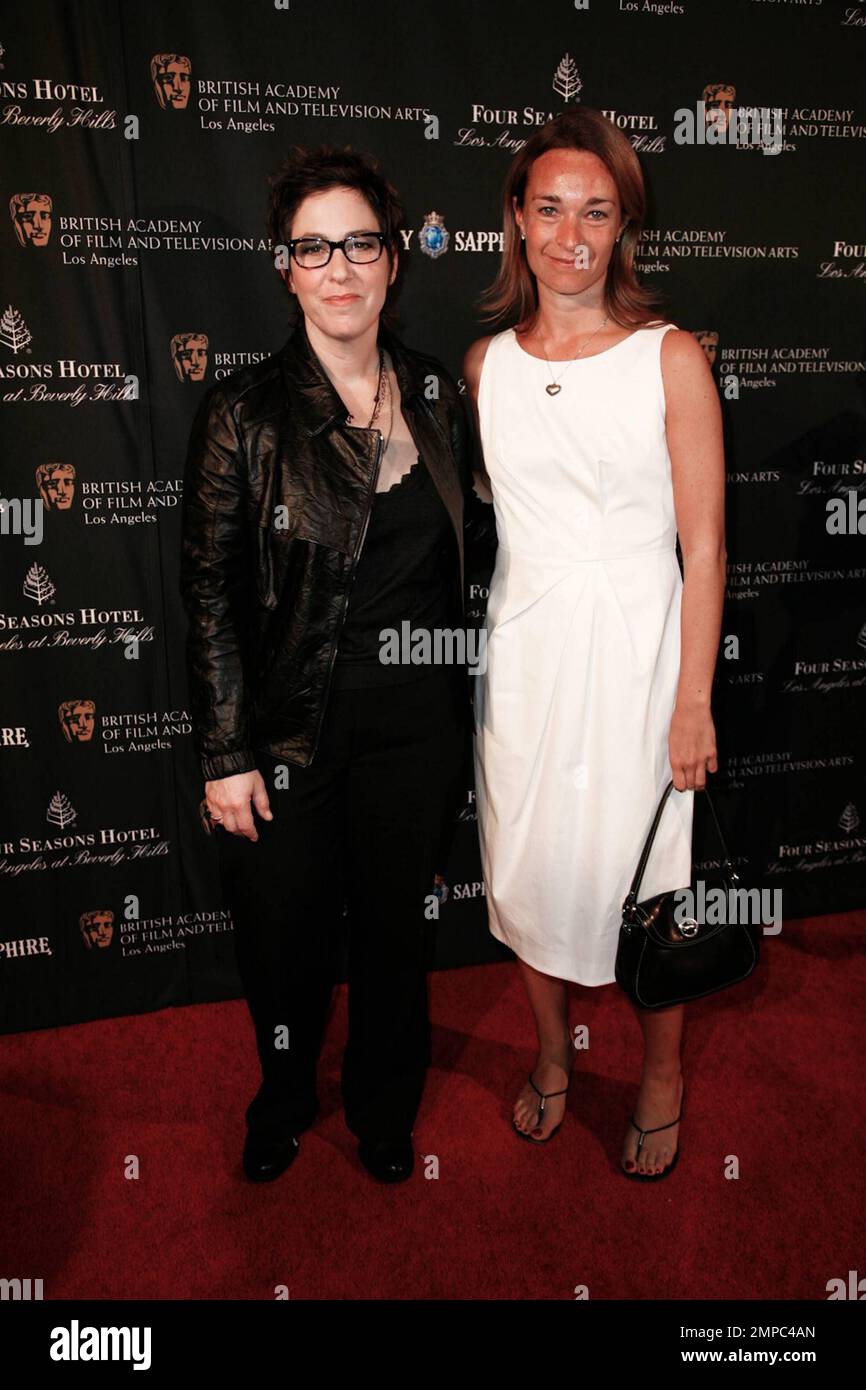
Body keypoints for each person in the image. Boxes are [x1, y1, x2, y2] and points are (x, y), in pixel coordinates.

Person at [180, 145, 494, 1185]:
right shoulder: (241, 413)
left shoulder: (441, 392)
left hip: (416, 725)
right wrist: (226, 752)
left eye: (359, 242)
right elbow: (211, 595)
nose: (339, 268)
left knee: (397, 939)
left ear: (393, 259)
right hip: (288, 731)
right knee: (285, 941)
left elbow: (485, 549)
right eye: (312, 248)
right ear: (284, 267)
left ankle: (384, 1104)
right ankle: (280, 1094)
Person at [463, 109, 725, 1178]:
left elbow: (703, 545)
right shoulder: (483, 367)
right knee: (524, 870)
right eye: (550, 209)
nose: (571, 234)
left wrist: (692, 698)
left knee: (648, 877)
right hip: (524, 659)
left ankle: (659, 1072)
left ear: (623, 229)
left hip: (639, 658)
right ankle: (551, 1055)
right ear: (518, 223)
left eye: (596, 212)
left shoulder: (668, 358)